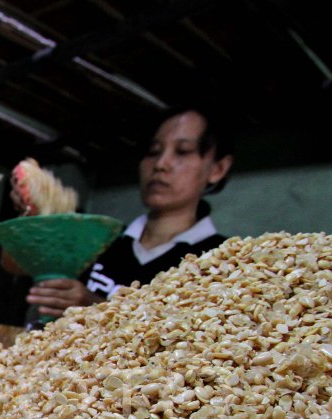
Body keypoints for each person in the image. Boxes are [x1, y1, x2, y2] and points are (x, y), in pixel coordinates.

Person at [22, 106, 235, 317]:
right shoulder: (100, 238)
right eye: (153, 152)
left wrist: (96, 309)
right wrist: (32, 208)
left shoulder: (220, 261)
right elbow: (18, 263)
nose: (161, 164)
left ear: (218, 169)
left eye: (182, 152)